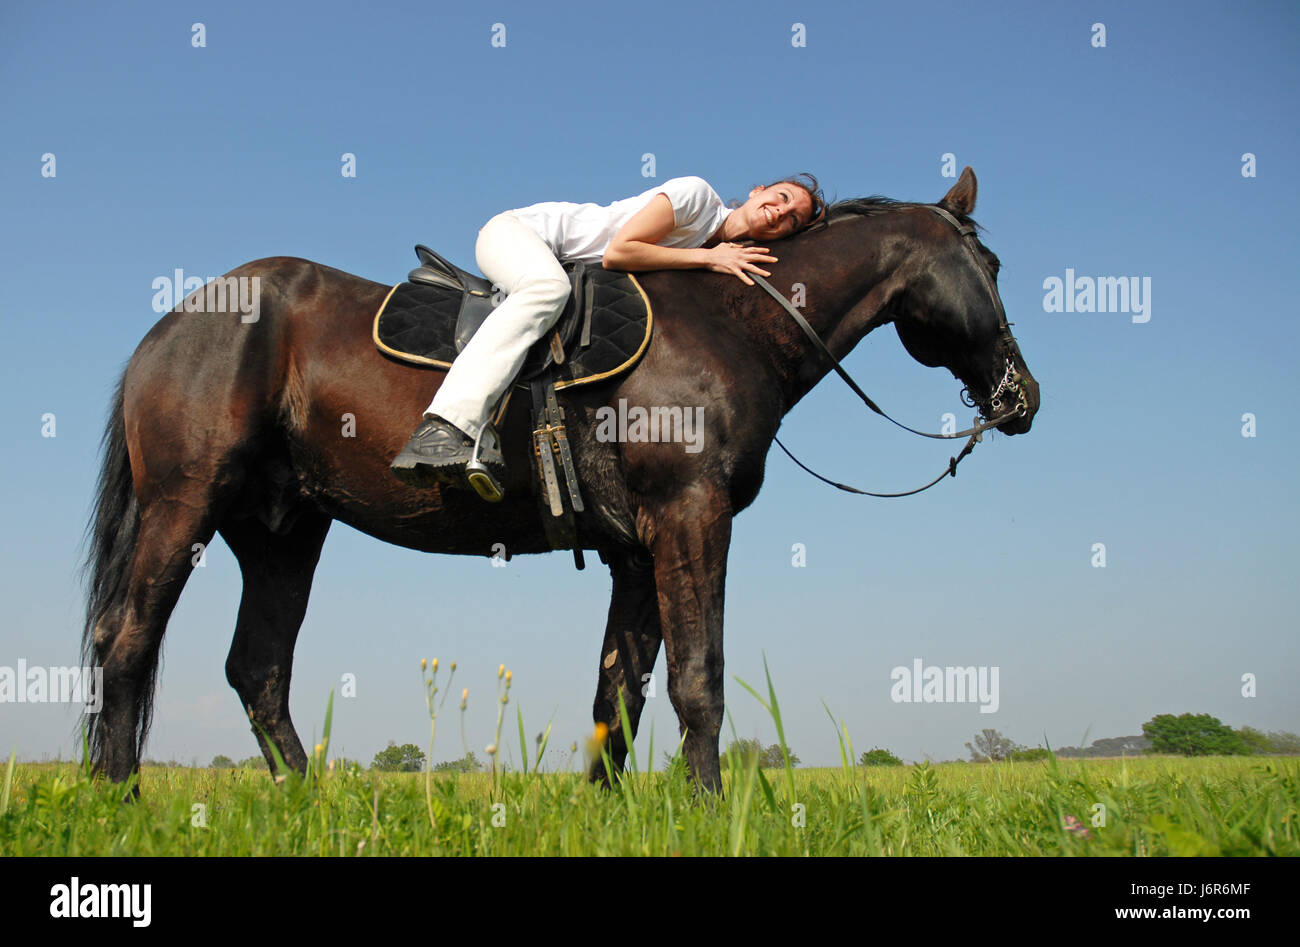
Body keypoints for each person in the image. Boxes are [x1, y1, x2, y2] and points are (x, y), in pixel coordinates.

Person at [389, 174, 826, 499]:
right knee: (547, 290)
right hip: (518, 234)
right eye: (781, 198)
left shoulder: (714, 252)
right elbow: (620, 252)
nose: (780, 212)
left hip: (562, 259)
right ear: (757, 191)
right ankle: (444, 426)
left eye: (792, 220)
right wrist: (709, 259)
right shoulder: (697, 196)